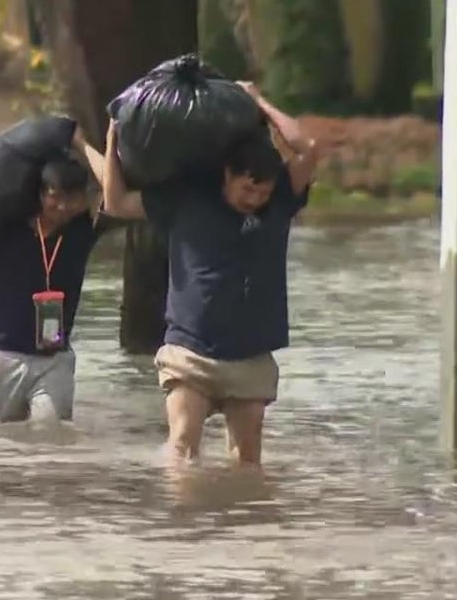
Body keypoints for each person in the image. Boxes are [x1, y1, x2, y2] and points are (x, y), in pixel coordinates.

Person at [86, 84, 318, 466]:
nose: (255, 199)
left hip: (251, 355)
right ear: (227, 175)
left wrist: (259, 102)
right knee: (182, 450)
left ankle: (242, 526)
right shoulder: (186, 200)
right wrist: (114, 138)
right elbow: (117, 202)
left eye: (263, 192)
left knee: (248, 463)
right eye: (247, 189)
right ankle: (183, 526)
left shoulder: (279, 203)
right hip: (190, 352)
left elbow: (308, 147)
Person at [0, 151, 103, 424]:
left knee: (53, 435)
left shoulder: (81, 231)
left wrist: (81, 143)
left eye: (71, 197)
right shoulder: (5, 228)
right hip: (3, 355)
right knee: (1, 445)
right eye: (54, 195)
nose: (62, 206)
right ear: (39, 193)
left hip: (55, 359)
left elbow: (110, 191)